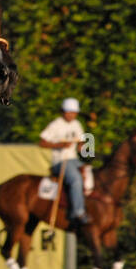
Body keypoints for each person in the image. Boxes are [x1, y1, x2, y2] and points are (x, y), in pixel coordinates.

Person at [39, 97, 90, 229]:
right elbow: (42, 142)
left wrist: (82, 146)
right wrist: (60, 145)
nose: (71, 115)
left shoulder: (77, 124)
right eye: (69, 112)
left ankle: (89, 206)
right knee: (76, 179)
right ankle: (77, 212)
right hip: (60, 161)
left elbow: (80, 142)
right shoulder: (56, 124)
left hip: (73, 159)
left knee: (90, 174)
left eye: (74, 112)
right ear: (63, 111)